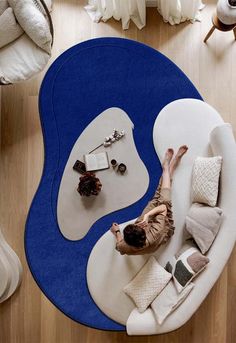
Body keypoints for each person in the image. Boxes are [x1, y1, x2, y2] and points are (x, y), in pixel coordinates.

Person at [110, 146, 188, 255]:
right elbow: (163, 208)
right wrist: (147, 217)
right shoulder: (155, 233)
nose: (138, 224)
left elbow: (119, 247)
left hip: (145, 232)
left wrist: (117, 231)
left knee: (157, 197)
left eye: (136, 225)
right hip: (164, 228)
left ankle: (168, 169)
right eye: (138, 226)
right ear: (144, 232)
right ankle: (169, 167)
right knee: (163, 200)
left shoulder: (125, 247)